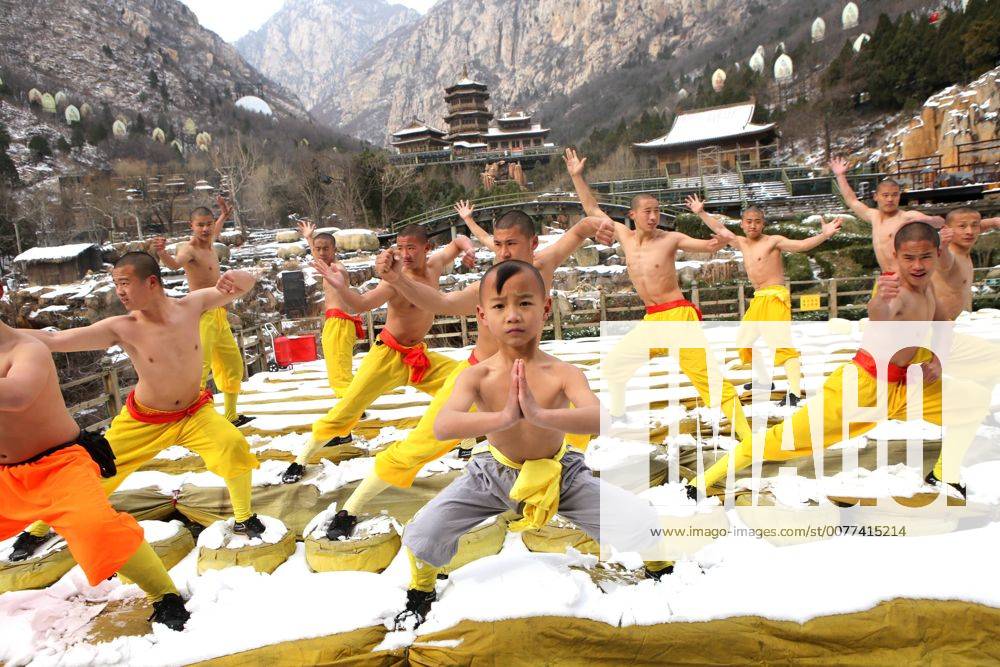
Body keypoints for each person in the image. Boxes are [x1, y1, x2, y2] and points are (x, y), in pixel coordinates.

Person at [395, 261, 666, 627]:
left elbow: (600, 419)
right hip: (491, 475)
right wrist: (502, 418)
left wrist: (541, 415)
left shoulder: (563, 373)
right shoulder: (477, 374)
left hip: (559, 474)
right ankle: (421, 590)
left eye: (524, 303)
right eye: (499, 305)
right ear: (482, 315)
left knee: (642, 521)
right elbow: (445, 425)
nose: (513, 315)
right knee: (425, 532)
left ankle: (662, 570)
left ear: (546, 308)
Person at [317, 208, 613, 540]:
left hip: (530, 373)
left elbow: (578, 231)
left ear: (532, 243)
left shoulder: (544, 265)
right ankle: (351, 508)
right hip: (480, 377)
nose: (502, 253)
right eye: (497, 244)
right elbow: (441, 302)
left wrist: (598, 225)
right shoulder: (490, 285)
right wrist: (398, 279)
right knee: (419, 445)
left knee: (573, 430)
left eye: (511, 244)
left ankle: (556, 492)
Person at [687, 222, 981, 498]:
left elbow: (942, 323)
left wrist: (938, 360)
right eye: (909, 258)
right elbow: (880, 316)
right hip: (863, 388)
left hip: (908, 385)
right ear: (896, 255)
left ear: (938, 254)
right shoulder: (892, 288)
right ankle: (702, 480)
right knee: (782, 440)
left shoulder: (928, 287)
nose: (917, 266)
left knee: (971, 403)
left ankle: (944, 474)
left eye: (925, 257)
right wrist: (878, 304)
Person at [10, 252, 263, 560]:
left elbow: (240, 286)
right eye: (116, 284)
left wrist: (237, 277)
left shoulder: (191, 306)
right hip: (144, 420)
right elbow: (57, 339)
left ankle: (243, 518)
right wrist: (6, 335)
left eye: (125, 283)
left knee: (233, 446)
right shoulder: (123, 327)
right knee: (95, 471)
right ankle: (36, 529)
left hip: (194, 412)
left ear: (152, 282)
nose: (120, 291)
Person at [0, 314, 190, 630]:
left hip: (59, 465)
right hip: (6, 476)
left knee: (96, 527)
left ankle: (164, 594)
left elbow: (18, 394)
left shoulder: (26, 349)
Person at [564, 148, 752, 443]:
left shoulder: (670, 239)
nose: (654, 216)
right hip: (652, 320)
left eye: (657, 210)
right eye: (648, 211)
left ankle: (747, 436)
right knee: (615, 364)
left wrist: (717, 232)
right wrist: (577, 176)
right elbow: (593, 211)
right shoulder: (624, 236)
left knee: (710, 382)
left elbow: (708, 246)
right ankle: (619, 413)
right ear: (633, 215)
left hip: (677, 316)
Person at [281, 225, 476, 484]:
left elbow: (460, 239)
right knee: (347, 408)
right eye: (400, 247)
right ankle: (301, 459)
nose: (404, 254)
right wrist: (342, 288)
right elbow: (361, 304)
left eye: (411, 248)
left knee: (467, 382)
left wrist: (469, 249)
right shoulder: (394, 281)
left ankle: (468, 442)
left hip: (418, 356)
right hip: (387, 356)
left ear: (426, 248)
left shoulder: (435, 265)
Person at [686, 195, 842, 406]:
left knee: (781, 346)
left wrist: (824, 235)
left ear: (763, 224)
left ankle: (795, 392)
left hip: (775, 296)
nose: (753, 225)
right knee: (744, 341)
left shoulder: (773, 241)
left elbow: (802, 245)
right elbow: (722, 230)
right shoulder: (741, 242)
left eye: (757, 221)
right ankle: (763, 380)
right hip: (759, 299)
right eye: (748, 221)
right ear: (742, 224)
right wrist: (700, 212)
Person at [152, 197, 252, 426]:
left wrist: (223, 215)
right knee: (201, 366)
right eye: (200, 225)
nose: (206, 229)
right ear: (192, 226)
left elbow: (215, 229)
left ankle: (231, 415)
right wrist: (161, 253)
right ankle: (191, 418)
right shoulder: (191, 250)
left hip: (220, 313)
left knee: (232, 364)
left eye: (208, 223)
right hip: (202, 315)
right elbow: (175, 264)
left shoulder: (210, 241)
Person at [924, 207, 1000, 494]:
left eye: (975, 226)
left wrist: (989, 222)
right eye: (962, 226)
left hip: (943, 335)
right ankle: (971, 405)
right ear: (948, 229)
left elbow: (983, 223)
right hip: (930, 336)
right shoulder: (950, 254)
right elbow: (943, 262)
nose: (969, 231)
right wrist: (941, 244)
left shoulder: (967, 249)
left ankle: (973, 405)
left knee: (981, 388)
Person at [828, 157, 944, 275]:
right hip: (885, 276)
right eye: (885, 195)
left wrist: (927, 221)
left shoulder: (907, 217)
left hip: (905, 277)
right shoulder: (873, 216)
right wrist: (840, 176)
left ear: (899, 196)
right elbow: (851, 201)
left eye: (894, 195)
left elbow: (940, 222)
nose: (890, 199)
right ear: (876, 196)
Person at [298, 219, 363, 396]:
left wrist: (338, 274)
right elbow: (317, 255)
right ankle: (350, 405)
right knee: (337, 368)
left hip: (340, 322)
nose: (320, 252)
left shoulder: (336, 267)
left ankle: (351, 407)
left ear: (334, 249)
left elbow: (340, 272)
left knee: (340, 370)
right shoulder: (326, 265)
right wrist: (309, 237)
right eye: (317, 249)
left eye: (326, 248)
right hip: (335, 322)